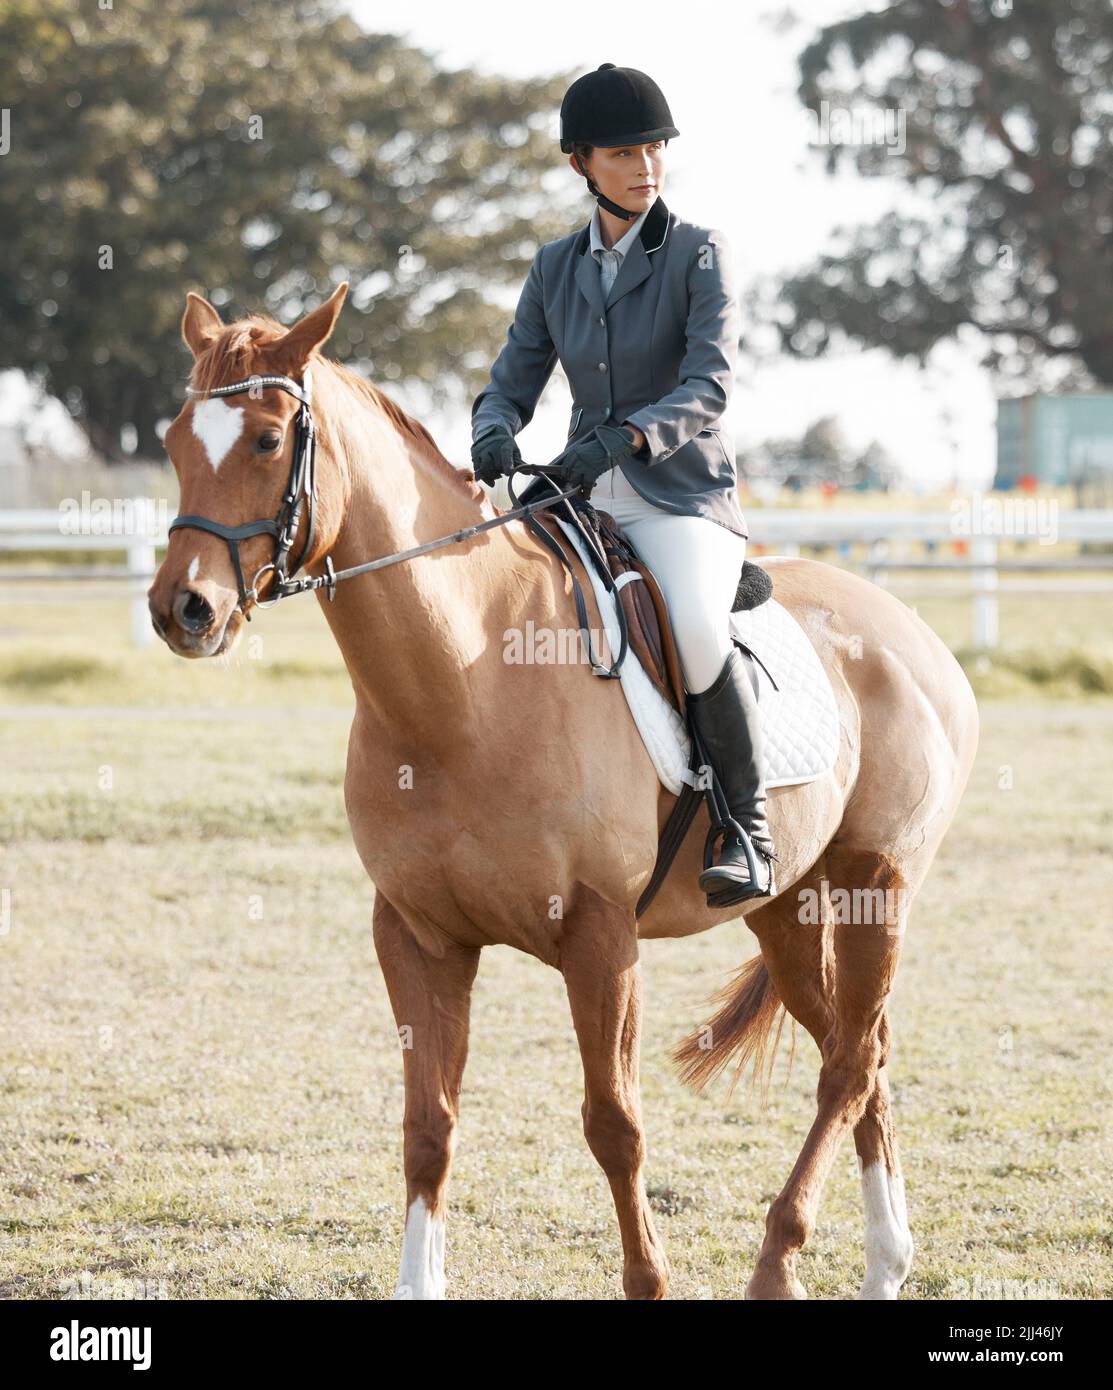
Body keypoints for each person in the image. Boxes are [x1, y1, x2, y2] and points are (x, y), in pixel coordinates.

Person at [470, 63, 774, 905]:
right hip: (576, 491)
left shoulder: (696, 252)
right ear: (580, 164)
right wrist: (492, 426)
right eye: (623, 152)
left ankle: (744, 829)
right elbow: (512, 377)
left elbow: (709, 384)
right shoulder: (553, 267)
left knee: (695, 629)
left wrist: (627, 436)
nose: (645, 165)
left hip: (679, 494)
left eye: (654, 149)